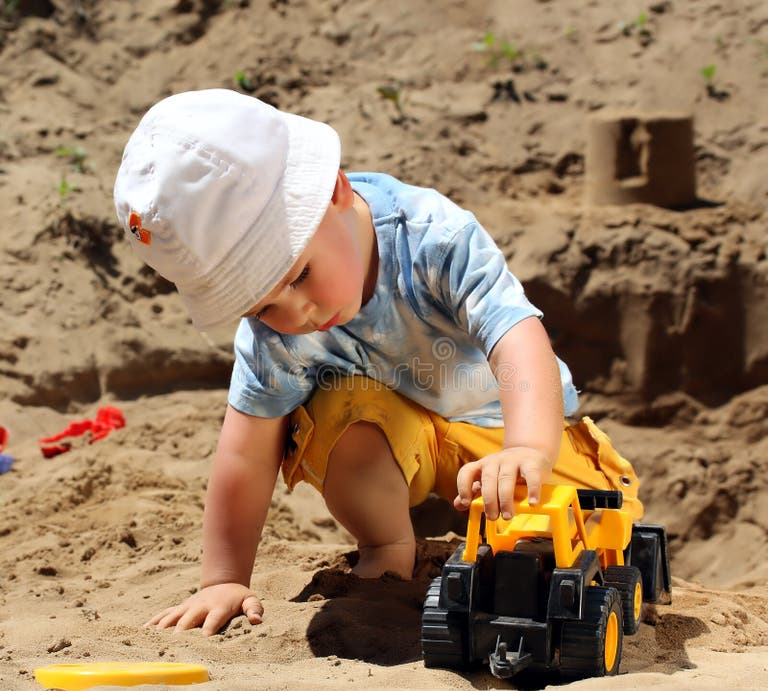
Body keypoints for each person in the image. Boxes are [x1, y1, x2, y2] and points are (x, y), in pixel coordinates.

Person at [114, 88, 640, 636]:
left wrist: (529, 446)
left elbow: (515, 337)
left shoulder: (431, 237)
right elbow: (245, 454)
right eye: (263, 305)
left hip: (509, 425)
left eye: (298, 276)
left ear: (335, 190)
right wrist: (223, 577)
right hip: (399, 436)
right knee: (340, 406)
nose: (297, 312)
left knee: (595, 533)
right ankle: (388, 547)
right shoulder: (274, 335)